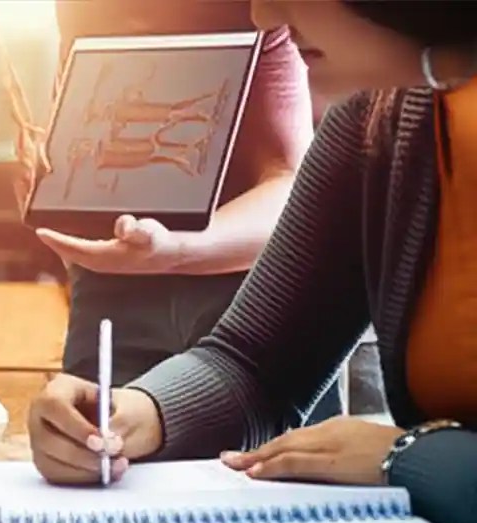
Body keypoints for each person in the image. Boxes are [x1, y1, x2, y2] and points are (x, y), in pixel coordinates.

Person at [27, 0, 477, 523]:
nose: (263, 16)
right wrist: (132, 416)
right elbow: (255, 366)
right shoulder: (374, 121)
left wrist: (407, 455)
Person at [35, 1, 336, 418]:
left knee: (278, 467)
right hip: (113, 284)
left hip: (249, 293)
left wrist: (178, 248)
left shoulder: (264, 14)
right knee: (93, 447)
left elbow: (292, 188)